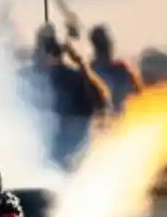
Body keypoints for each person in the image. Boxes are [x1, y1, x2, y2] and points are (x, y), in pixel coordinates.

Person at [32, 24, 111, 168]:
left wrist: (81, 65)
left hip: (72, 154)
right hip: (42, 156)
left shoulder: (72, 79)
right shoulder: (31, 81)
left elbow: (100, 102)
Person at [88, 24, 144, 114]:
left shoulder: (120, 69)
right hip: (107, 116)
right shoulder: (90, 73)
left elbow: (137, 92)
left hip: (120, 116)